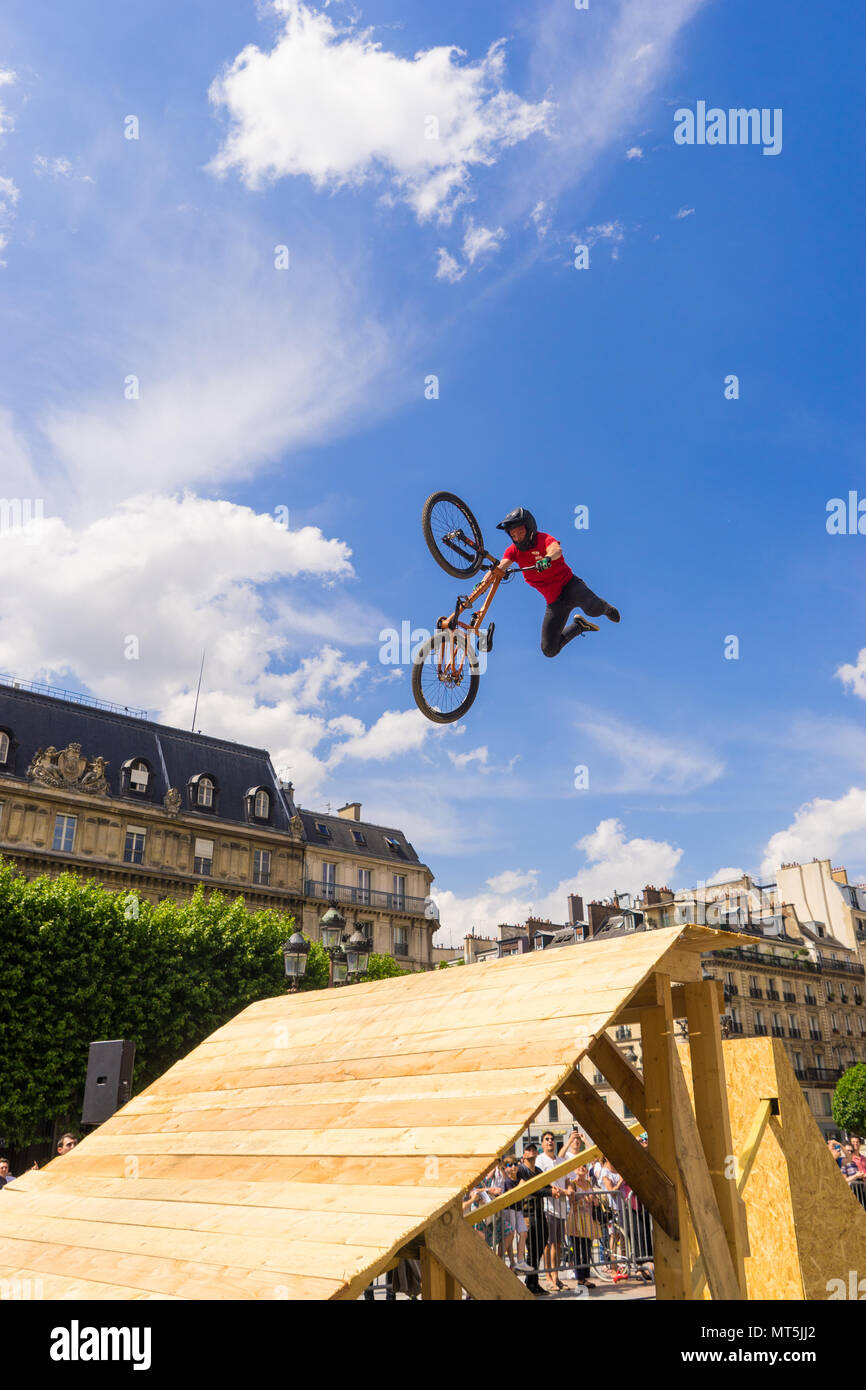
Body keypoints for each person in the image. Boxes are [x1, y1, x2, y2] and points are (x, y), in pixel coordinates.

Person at [473, 507, 620, 659]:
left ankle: (607, 609)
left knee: (593, 609)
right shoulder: (513, 551)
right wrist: (482, 583)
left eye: (520, 532)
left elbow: (556, 549)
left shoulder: (543, 539)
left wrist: (547, 558)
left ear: (530, 528)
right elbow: (499, 568)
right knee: (549, 650)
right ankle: (579, 627)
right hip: (555, 602)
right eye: (513, 535)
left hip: (570, 586)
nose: (517, 537)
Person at [536, 1130, 568, 1291]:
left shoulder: (561, 1160)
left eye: (552, 1139)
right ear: (542, 1143)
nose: (550, 1141)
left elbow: (568, 1179)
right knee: (548, 1244)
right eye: (546, 1139)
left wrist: (569, 1190)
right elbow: (543, 1182)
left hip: (561, 1206)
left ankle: (556, 1276)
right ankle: (549, 1277)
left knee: (559, 1243)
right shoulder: (540, 1160)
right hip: (547, 1206)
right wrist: (558, 1190)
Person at [516, 1142, 548, 1296]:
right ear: (524, 1154)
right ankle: (531, 1283)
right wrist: (549, 1192)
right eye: (528, 1149)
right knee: (533, 1249)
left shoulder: (539, 1170)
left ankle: (533, 1282)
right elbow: (530, 1189)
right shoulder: (521, 1170)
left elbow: (546, 1185)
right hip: (527, 1213)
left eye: (534, 1149)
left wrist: (554, 1190)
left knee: (540, 1245)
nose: (532, 1151)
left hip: (540, 1212)